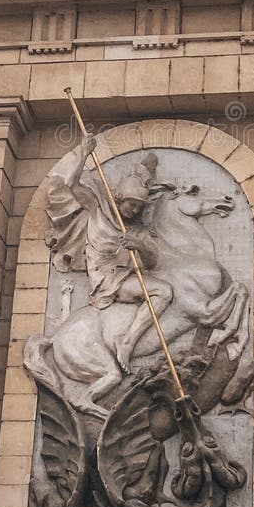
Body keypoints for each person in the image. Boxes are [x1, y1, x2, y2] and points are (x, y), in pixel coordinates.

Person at [65, 134, 172, 372]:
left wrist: (140, 246)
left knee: (164, 290)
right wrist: (83, 153)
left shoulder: (136, 230)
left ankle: (128, 339)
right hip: (105, 278)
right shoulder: (98, 209)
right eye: (130, 204)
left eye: (139, 207)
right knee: (163, 292)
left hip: (124, 275)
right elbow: (72, 185)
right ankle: (126, 341)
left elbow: (152, 262)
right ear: (119, 198)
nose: (134, 211)